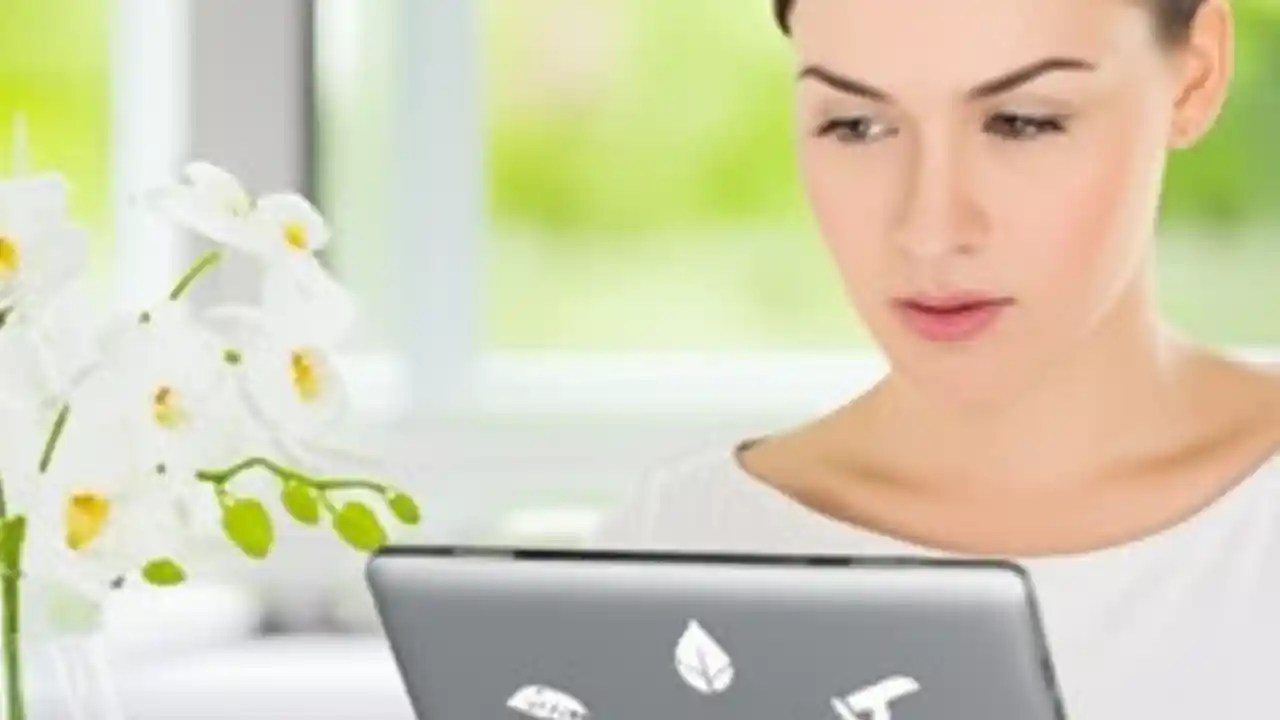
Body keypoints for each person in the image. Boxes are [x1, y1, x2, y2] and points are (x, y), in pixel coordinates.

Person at [592, 0, 1280, 717]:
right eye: (856, 126)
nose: (929, 230)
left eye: (1023, 121)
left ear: (1196, 76)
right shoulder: (682, 551)